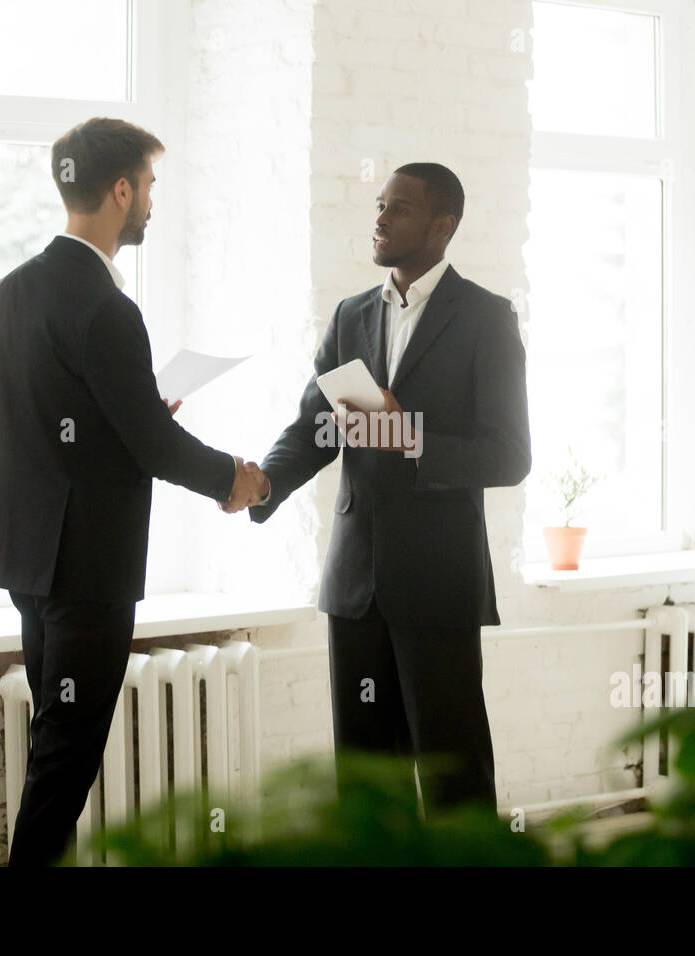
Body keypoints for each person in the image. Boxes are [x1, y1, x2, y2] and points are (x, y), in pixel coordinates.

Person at [0, 117, 267, 866]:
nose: (153, 204)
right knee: (66, 761)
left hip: (24, 564)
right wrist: (238, 478)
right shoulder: (107, 307)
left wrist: (113, 416)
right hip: (87, 570)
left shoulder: (6, 293)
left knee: (54, 748)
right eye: (151, 187)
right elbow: (155, 448)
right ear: (121, 190)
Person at [226, 163, 531, 815]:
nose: (381, 219)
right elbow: (316, 425)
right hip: (355, 584)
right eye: (379, 205)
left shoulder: (486, 319)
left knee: (454, 776)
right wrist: (265, 483)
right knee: (366, 778)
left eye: (399, 209)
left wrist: (410, 435)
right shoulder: (351, 316)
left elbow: (510, 455)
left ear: (442, 226)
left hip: (438, 584)